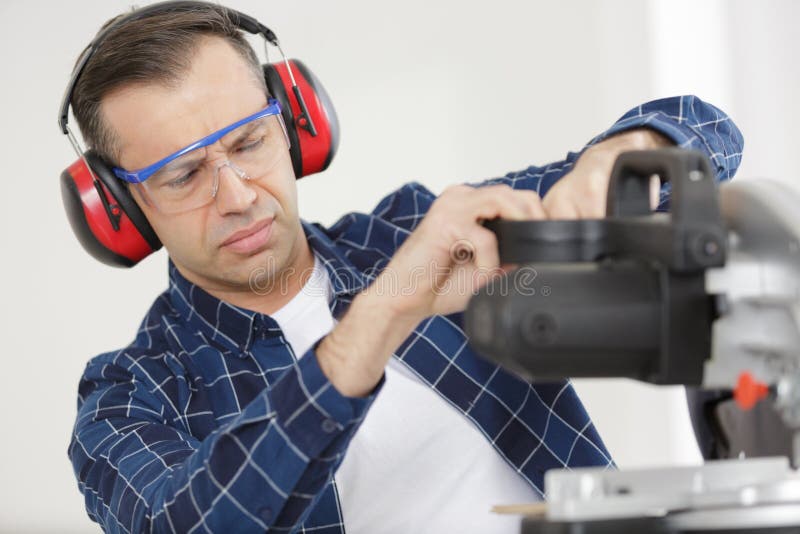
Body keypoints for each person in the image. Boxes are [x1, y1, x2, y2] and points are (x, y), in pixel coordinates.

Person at [64, 2, 744, 533]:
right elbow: (187, 523)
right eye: (184, 176)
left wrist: (609, 166)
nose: (239, 197)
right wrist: (384, 313)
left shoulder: (411, 231)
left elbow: (706, 131)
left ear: (296, 125)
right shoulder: (127, 396)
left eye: (249, 142)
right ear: (120, 210)